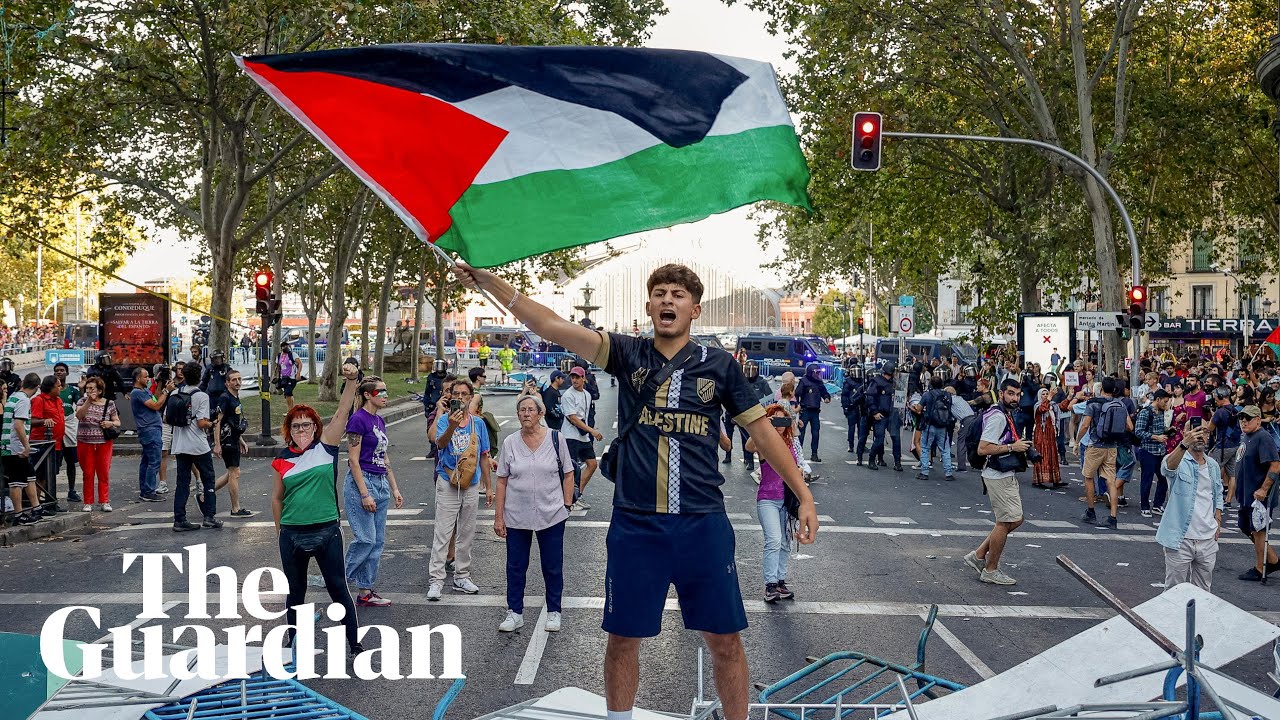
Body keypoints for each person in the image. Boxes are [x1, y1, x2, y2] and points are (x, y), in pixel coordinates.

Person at [451, 260, 817, 720]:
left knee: (725, 640)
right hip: (636, 523)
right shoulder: (627, 354)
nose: (668, 300)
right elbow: (550, 324)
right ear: (648, 305)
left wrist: (802, 494)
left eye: (678, 295)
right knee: (623, 638)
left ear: (695, 309)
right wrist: (490, 281)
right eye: (660, 292)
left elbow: (762, 433)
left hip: (702, 523)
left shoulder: (720, 366)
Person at [271, 361, 364, 655]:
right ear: (289, 429)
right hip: (292, 535)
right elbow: (277, 498)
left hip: (326, 531)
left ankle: (355, 644)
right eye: (296, 425)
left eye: (306, 424)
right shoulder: (283, 458)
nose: (301, 429)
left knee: (338, 589)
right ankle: (292, 646)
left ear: (315, 427)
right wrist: (280, 532)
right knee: (294, 594)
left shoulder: (326, 447)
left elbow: (341, 412)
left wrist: (351, 381)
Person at [493, 394, 574, 632]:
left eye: (531, 410)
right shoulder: (510, 442)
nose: (526, 414)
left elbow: (568, 473)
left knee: (552, 565)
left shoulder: (556, 439)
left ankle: (554, 611)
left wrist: (566, 505)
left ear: (541, 414)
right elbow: (501, 481)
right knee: (516, 566)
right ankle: (514, 612)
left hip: (552, 514)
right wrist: (499, 517)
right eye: (522, 410)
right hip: (517, 514)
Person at [428, 378, 493, 599]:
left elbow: (484, 455)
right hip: (448, 481)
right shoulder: (445, 421)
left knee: (466, 532)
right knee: (443, 533)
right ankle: (436, 580)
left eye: (465, 394)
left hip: (472, 483)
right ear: (451, 397)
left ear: (470, 397)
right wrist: (453, 425)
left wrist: (489, 486)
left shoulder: (478, 423)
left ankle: (461, 575)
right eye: (456, 394)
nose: (461, 398)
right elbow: (440, 443)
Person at [963, 378, 1030, 585]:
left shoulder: (1002, 413)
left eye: (1018, 394)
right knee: (1007, 522)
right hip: (997, 475)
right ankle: (990, 570)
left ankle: (979, 555)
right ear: (1001, 394)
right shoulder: (998, 417)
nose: (1015, 398)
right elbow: (984, 448)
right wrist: (1013, 448)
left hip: (1001, 474)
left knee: (1013, 519)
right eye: (1010, 393)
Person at [345, 376, 403, 606]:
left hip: (381, 482)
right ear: (368, 395)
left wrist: (395, 487)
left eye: (386, 390)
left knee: (377, 542)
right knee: (366, 539)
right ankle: (338, 579)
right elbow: (353, 460)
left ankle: (365, 592)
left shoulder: (379, 421)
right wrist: (364, 493)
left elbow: (384, 457)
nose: (385, 395)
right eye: (380, 392)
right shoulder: (358, 420)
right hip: (364, 482)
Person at [1155, 424, 1222, 591]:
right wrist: (1183, 444)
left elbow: (1217, 494)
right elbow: (1167, 468)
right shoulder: (1179, 459)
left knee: (1203, 592)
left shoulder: (1213, 465)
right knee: (1174, 592)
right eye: (1195, 431)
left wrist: (1218, 521)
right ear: (1186, 433)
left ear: (1209, 437)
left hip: (1207, 538)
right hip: (1180, 538)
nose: (1199, 435)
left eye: (1204, 431)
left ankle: (1198, 618)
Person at [746, 404, 802, 602]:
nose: (779, 425)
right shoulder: (764, 444)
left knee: (786, 542)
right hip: (768, 499)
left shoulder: (791, 443)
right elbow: (749, 446)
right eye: (775, 420)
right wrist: (765, 427)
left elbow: (799, 467)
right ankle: (770, 585)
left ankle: (780, 581)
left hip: (787, 499)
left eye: (782, 420)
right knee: (774, 540)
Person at [170, 361, 221, 531]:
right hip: (198, 445)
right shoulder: (201, 396)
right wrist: (212, 424)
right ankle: (209, 516)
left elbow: (166, 418)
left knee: (182, 482)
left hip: (180, 444)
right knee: (208, 479)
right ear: (199, 377)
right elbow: (201, 423)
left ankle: (179, 519)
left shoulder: (175, 393)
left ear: (183, 375)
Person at [1077, 376, 1132, 530]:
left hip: (1095, 444)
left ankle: (1091, 511)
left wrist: (1077, 440)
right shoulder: (1120, 404)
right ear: (1114, 389)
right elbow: (1130, 426)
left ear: (1101, 389)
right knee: (1110, 481)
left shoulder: (1093, 403)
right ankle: (1113, 517)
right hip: (1112, 446)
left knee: (1088, 476)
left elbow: (1085, 425)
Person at [1235, 405, 1280, 582]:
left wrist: (1264, 489)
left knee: (1258, 530)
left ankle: (1260, 568)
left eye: (1248, 418)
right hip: (1246, 494)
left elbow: (1275, 465)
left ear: (1258, 420)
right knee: (1246, 527)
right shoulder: (1247, 436)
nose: (1243, 421)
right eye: (1241, 418)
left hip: (1258, 497)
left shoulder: (1263, 437)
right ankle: (1274, 560)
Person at [75, 375, 120, 512]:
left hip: (103, 442)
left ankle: (104, 500)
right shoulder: (82, 401)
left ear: (100, 390)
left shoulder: (109, 403)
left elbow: (118, 422)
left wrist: (110, 423)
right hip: (85, 441)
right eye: (87, 388)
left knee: (103, 472)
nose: (89, 391)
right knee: (88, 472)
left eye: (92, 389)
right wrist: (88, 401)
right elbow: (79, 415)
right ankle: (87, 501)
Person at [2, 373, 43, 525]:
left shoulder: (13, 397)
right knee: (16, 482)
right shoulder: (23, 401)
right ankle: (18, 514)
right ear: (37, 387)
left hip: (10, 445)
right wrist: (26, 446)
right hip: (15, 448)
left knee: (30, 476)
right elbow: (19, 425)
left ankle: (36, 507)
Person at [562, 366, 603, 510]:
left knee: (592, 464)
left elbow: (585, 416)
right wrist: (591, 431)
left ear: (583, 378)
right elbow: (573, 418)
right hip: (570, 436)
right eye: (572, 377)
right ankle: (569, 498)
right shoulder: (568, 395)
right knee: (571, 469)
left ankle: (577, 494)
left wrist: (591, 429)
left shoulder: (587, 394)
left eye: (577, 377)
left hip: (583, 436)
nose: (574, 380)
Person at [212, 370, 252, 517]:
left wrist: (241, 440)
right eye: (234, 380)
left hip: (234, 438)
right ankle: (235, 508)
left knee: (232, 472)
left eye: (239, 379)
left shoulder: (235, 397)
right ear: (227, 383)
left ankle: (205, 493)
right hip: (226, 440)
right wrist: (217, 444)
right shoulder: (225, 398)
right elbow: (218, 421)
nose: (238, 382)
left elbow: (233, 421)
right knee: (234, 472)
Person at [130, 367, 170, 503]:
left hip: (152, 428)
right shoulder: (137, 393)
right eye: (145, 377)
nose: (148, 379)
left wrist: (159, 384)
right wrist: (167, 391)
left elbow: (156, 398)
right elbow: (156, 405)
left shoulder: (144, 391)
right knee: (154, 461)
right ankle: (148, 491)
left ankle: (145, 489)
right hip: (149, 429)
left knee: (147, 461)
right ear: (138, 378)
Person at [30, 375, 67, 512]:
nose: (60, 388)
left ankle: (51, 502)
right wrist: (44, 421)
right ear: (50, 388)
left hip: (57, 443)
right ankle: (38, 505)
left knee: (51, 475)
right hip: (42, 444)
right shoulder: (39, 400)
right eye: (58, 386)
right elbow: (32, 420)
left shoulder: (58, 400)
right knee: (40, 476)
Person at [1134, 389, 1172, 517]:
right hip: (1148, 450)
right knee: (1147, 479)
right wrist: (1156, 437)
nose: (1166, 405)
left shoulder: (1161, 412)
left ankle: (1157, 504)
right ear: (1158, 399)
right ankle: (1145, 506)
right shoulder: (1145, 412)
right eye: (1165, 402)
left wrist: (1168, 431)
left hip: (1160, 450)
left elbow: (1160, 429)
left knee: (1164, 478)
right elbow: (1138, 431)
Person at [917, 375, 956, 481]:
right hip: (943, 425)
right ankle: (948, 473)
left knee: (925, 447)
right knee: (945, 449)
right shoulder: (947, 395)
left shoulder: (927, 395)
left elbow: (919, 409)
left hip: (930, 424)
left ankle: (924, 471)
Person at [53, 363, 81, 504]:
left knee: (71, 463)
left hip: (69, 429)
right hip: (55, 431)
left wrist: (82, 390)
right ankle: (51, 494)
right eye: (57, 370)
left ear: (67, 373)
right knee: (53, 465)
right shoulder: (51, 391)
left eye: (62, 370)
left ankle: (71, 490)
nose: (59, 372)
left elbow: (81, 405)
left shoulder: (72, 390)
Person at [866, 362, 903, 471]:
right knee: (879, 438)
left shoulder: (896, 383)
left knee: (896, 438)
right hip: (881, 414)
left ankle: (897, 462)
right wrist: (874, 412)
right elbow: (870, 397)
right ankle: (872, 459)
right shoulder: (876, 381)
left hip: (893, 414)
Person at [795, 364, 831, 464]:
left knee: (815, 433)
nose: (818, 375)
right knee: (801, 433)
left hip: (815, 411)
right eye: (817, 373)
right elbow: (797, 394)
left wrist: (827, 397)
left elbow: (824, 392)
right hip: (805, 410)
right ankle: (798, 454)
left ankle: (814, 454)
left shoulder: (819, 382)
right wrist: (797, 407)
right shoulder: (804, 381)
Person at [1030, 388, 1063, 489]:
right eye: (1043, 394)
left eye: (1046, 394)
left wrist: (1071, 396)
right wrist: (1049, 397)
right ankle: (1039, 480)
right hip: (1041, 432)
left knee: (1052, 454)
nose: (1045, 396)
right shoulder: (1037, 405)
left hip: (1050, 433)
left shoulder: (1052, 405)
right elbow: (1042, 409)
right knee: (1042, 453)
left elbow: (1063, 407)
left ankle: (1055, 479)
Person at [277, 343, 299, 409]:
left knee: (287, 392)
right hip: (283, 377)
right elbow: (278, 366)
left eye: (287, 346)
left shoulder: (292, 354)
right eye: (283, 346)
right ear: (281, 348)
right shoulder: (279, 356)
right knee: (288, 394)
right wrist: (276, 375)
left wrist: (298, 373)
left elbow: (300, 363)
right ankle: (291, 409)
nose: (285, 347)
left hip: (291, 377)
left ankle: (290, 411)